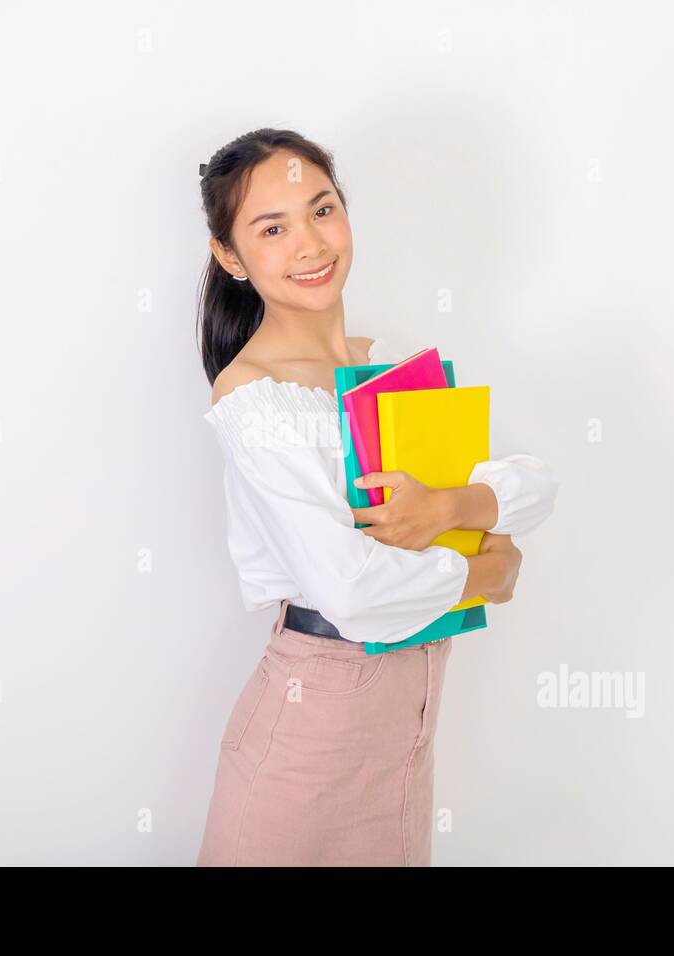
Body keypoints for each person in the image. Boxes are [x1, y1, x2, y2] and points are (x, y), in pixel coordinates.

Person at [195, 128, 559, 866]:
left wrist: (453, 508)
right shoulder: (253, 396)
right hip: (306, 739)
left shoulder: (388, 371)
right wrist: (482, 574)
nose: (309, 243)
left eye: (322, 210)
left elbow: (536, 483)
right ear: (230, 257)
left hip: (407, 735)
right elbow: (351, 593)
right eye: (273, 228)